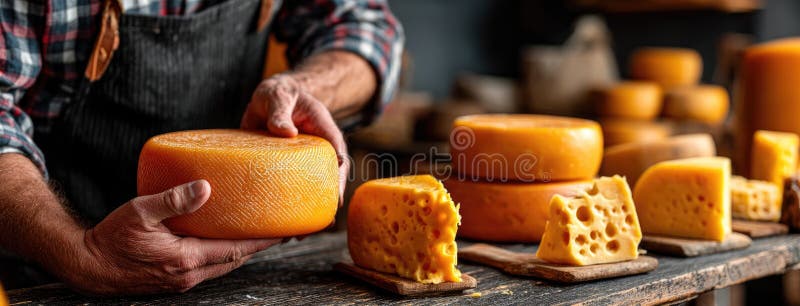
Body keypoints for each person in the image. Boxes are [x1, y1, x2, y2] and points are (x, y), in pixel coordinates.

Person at [0, 0, 403, 295]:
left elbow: (363, 25)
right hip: (49, 271)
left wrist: (302, 88)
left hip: (246, 274)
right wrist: (79, 251)